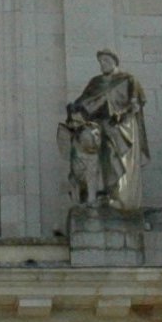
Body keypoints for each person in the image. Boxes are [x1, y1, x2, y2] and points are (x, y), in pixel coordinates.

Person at [64, 50, 148, 208]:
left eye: (106, 60)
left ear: (114, 61)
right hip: (100, 126)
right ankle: (102, 194)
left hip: (121, 126)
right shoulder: (95, 82)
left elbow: (136, 104)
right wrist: (74, 108)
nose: (103, 64)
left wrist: (122, 114)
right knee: (100, 156)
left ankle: (119, 195)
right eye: (100, 61)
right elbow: (83, 101)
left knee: (114, 157)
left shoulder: (128, 79)